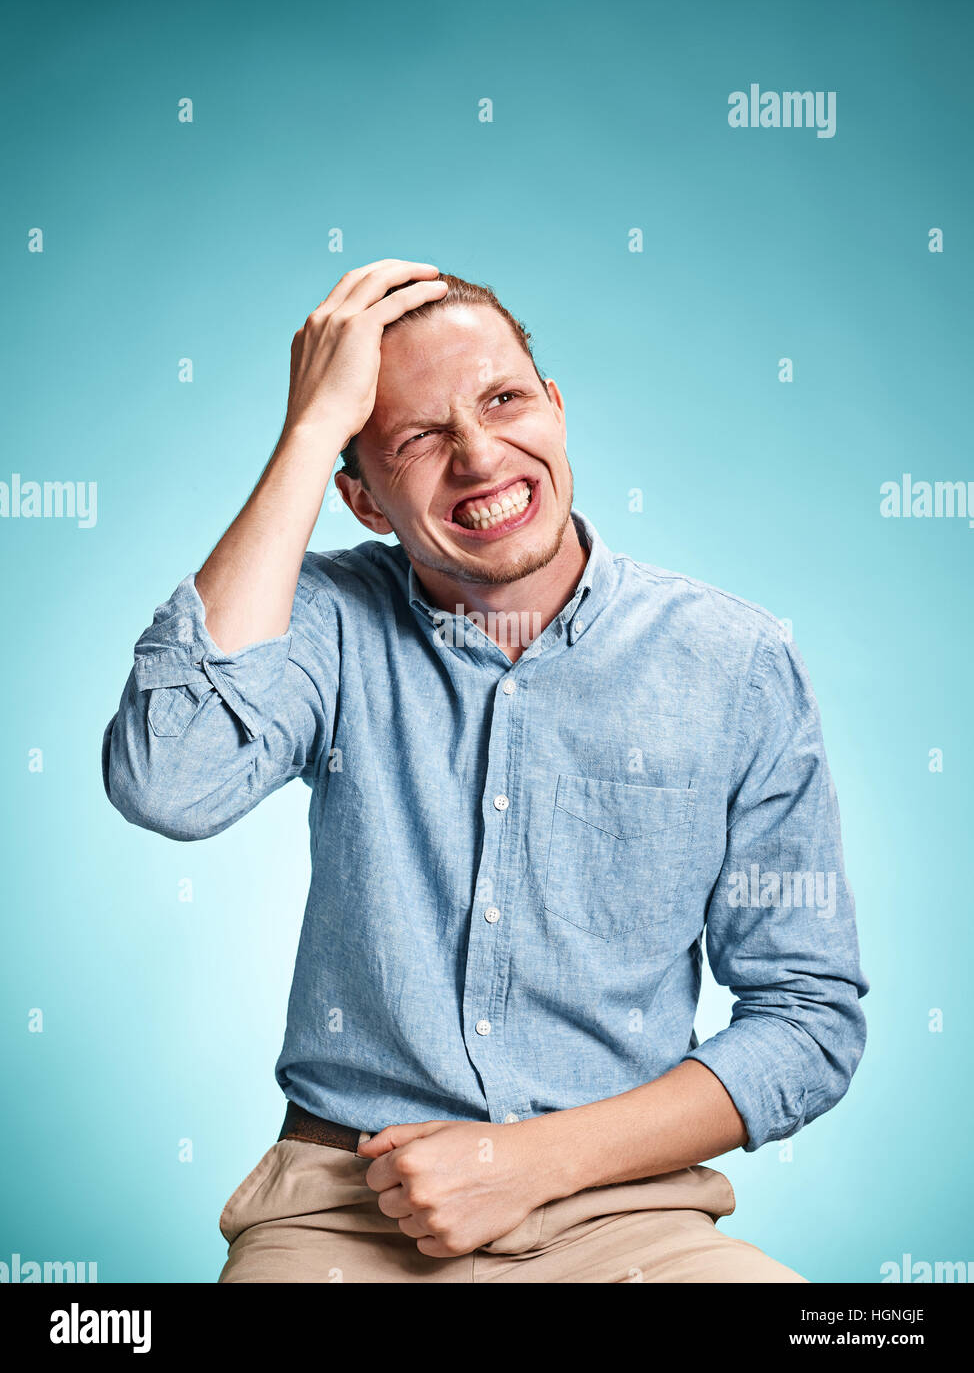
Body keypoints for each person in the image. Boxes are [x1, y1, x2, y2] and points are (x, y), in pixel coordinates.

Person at [102, 258, 869, 1283]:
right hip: (343, 1213)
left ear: (554, 408)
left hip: (626, 1218)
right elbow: (169, 776)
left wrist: (526, 1163)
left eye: (504, 399)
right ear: (362, 498)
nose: (477, 454)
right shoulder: (324, 621)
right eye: (416, 439)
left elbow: (807, 1019)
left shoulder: (733, 662)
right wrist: (305, 434)